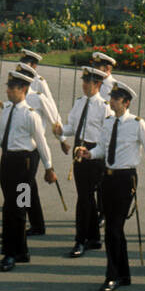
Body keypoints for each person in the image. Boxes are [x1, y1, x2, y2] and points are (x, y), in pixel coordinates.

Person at [76, 79, 145, 291]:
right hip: (107, 178)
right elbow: (102, 148)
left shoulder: (137, 124)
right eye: (111, 98)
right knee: (114, 229)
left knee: (113, 229)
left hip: (125, 179)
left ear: (126, 103)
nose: (112, 101)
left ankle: (112, 275)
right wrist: (89, 154)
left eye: (116, 99)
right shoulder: (108, 122)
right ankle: (124, 273)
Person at [0, 69, 57, 272]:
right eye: (8, 86)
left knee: (19, 207)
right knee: (9, 206)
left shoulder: (31, 115)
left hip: (25, 164)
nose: (8, 90)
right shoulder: (7, 111)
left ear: (23, 89)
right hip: (8, 162)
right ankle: (20, 250)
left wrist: (49, 168)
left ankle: (11, 252)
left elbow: (41, 142)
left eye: (11, 87)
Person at [55, 66, 111, 256]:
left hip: (94, 154)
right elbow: (72, 126)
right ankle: (94, 238)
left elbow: (107, 135)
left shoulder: (104, 107)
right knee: (86, 197)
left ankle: (80, 240)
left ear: (98, 84)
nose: (84, 85)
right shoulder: (79, 103)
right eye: (84, 81)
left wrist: (94, 153)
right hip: (78, 151)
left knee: (84, 199)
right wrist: (61, 130)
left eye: (88, 82)